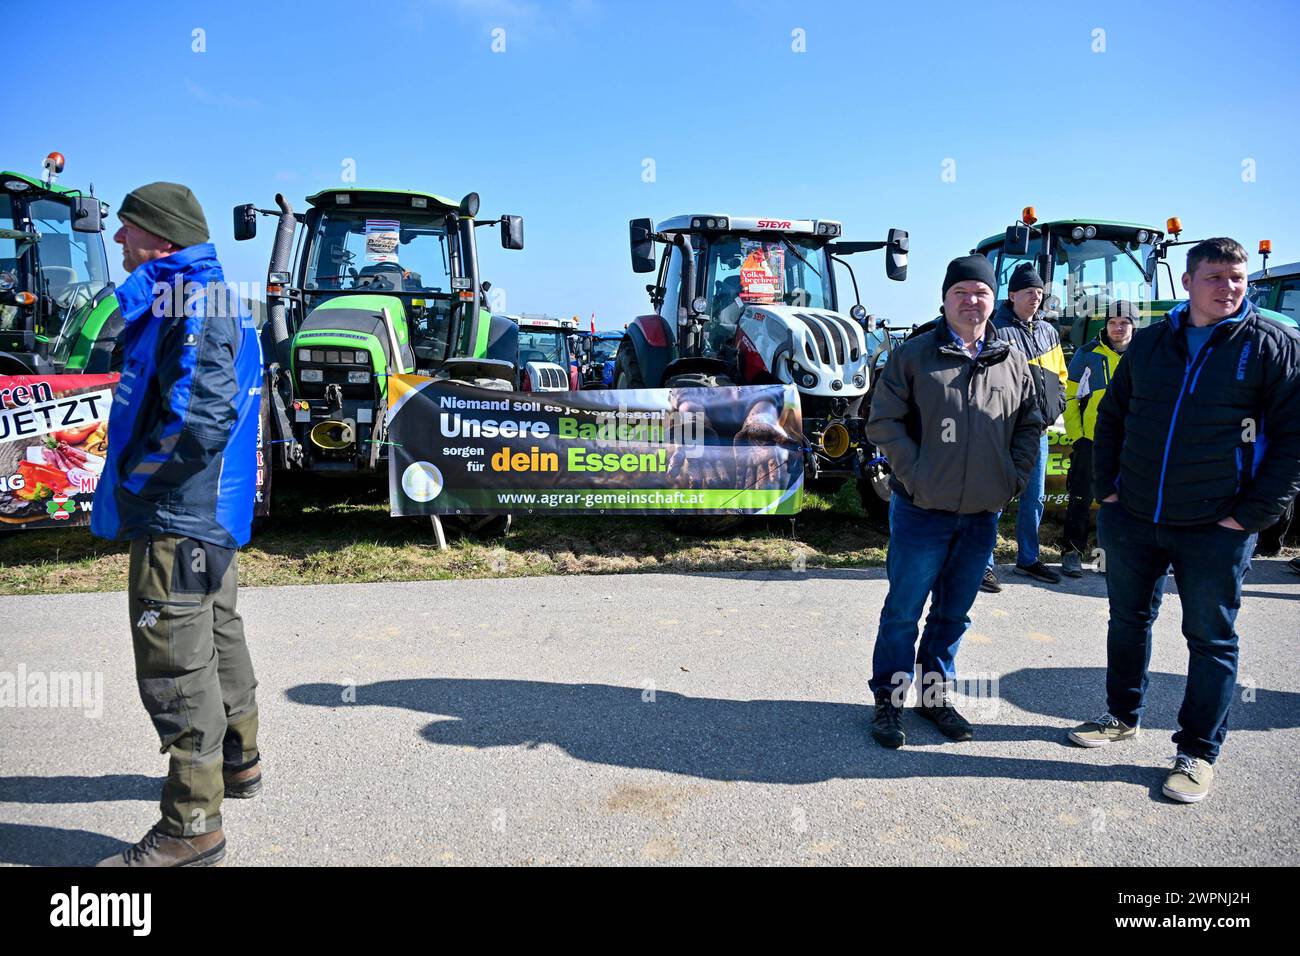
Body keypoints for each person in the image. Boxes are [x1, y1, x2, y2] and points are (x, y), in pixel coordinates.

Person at [1069, 238, 1300, 803]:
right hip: (1135, 517)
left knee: (1210, 639)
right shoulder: (1150, 345)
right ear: (1188, 283)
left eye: (1238, 277)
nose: (1229, 287)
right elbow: (1112, 419)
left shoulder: (1271, 346)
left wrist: (1249, 516)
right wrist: (1110, 494)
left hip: (1216, 525)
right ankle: (1121, 715)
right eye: (1216, 276)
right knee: (1127, 621)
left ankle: (1196, 752)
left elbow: (1294, 442)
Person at [91, 183, 264, 865]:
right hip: (206, 511)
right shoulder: (198, 295)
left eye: (127, 229)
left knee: (174, 663)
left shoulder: (194, 302)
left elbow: (200, 415)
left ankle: (193, 827)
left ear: (160, 238)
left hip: (178, 514)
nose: (117, 240)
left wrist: (137, 481)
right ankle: (238, 760)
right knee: (216, 634)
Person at [865, 255, 1043, 748]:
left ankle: (934, 696)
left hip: (982, 514)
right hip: (921, 511)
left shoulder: (1010, 361)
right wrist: (916, 474)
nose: (971, 300)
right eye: (961, 291)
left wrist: (1013, 476)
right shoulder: (914, 355)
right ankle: (889, 701)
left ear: (994, 300)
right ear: (944, 299)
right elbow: (883, 422)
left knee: (954, 613)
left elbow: (1030, 423)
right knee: (904, 610)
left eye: (980, 292)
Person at [980, 262, 1068, 591]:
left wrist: (1055, 406)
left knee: (1035, 498)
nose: (1036, 297)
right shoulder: (994, 330)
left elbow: (1060, 376)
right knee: (994, 497)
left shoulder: (1048, 331)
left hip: (1038, 431)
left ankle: (1028, 559)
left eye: (1040, 292)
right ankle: (983, 563)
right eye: (1030, 292)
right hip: (1003, 430)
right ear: (1012, 294)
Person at [1060, 301, 1135, 576]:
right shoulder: (1087, 353)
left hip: (1130, 443)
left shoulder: (1142, 355)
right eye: (1113, 322)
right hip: (1091, 440)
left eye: (1124, 322)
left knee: (1122, 502)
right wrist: (1077, 435)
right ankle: (1072, 552)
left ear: (1133, 325)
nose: (1117, 328)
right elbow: (1070, 397)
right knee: (1080, 497)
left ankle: (1111, 557)